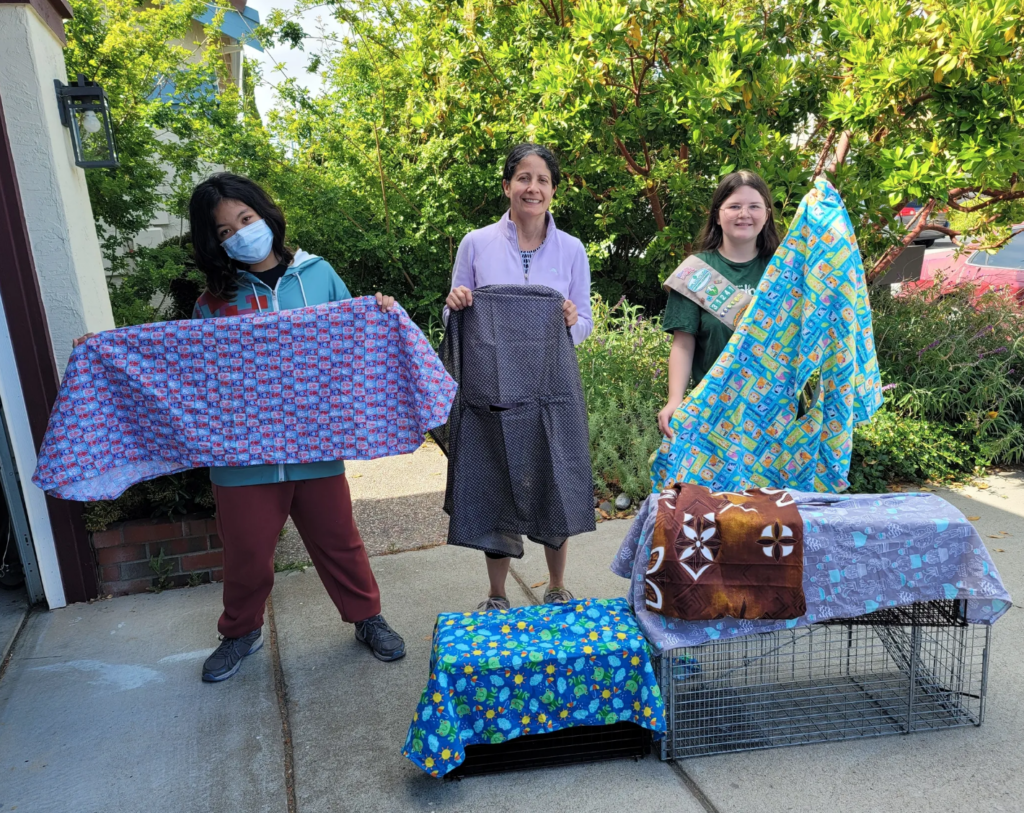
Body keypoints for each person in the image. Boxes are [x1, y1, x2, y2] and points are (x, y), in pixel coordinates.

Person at [77, 172, 407, 681]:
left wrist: (380, 311)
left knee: (340, 542)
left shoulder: (319, 276)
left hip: (314, 448)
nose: (240, 233)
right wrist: (104, 350)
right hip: (240, 461)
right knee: (247, 555)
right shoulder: (214, 301)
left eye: (245, 219)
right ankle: (240, 632)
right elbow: (184, 370)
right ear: (216, 243)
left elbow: (354, 345)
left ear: (266, 215)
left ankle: (367, 618)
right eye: (225, 231)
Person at [445, 143, 593, 611]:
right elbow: (453, 318)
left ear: (553, 191)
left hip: (551, 391)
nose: (533, 187)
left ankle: (556, 586)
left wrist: (572, 320)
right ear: (507, 186)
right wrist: (455, 303)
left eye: (543, 180)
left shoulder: (572, 249)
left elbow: (585, 324)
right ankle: (496, 593)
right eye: (524, 178)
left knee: (554, 482)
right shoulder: (476, 243)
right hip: (493, 390)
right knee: (494, 486)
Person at [658, 170, 781, 438]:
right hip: (714, 412)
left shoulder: (784, 271)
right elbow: (683, 344)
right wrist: (675, 399)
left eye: (754, 206)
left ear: (767, 215)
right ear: (717, 215)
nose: (744, 214)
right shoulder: (695, 272)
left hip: (777, 412)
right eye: (734, 206)